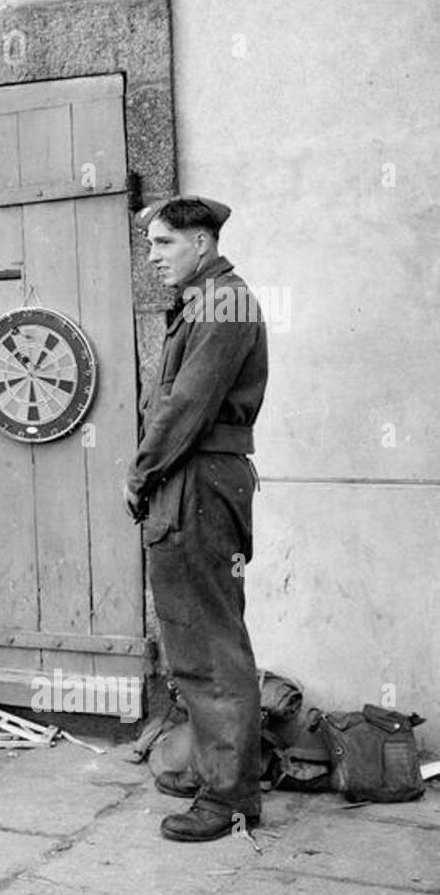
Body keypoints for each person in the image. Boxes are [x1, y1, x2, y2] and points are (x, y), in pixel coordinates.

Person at [125, 196, 269, 843]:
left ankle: (228, 798)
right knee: (194, 640)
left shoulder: (224, 304)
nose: (153, 257)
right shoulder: (206, 302)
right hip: (189, 482)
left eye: (164, 244)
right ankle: (215, 770)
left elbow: (186, 407)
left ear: (203, 242)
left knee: (211, 646)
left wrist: (139, 471)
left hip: (198, 485)